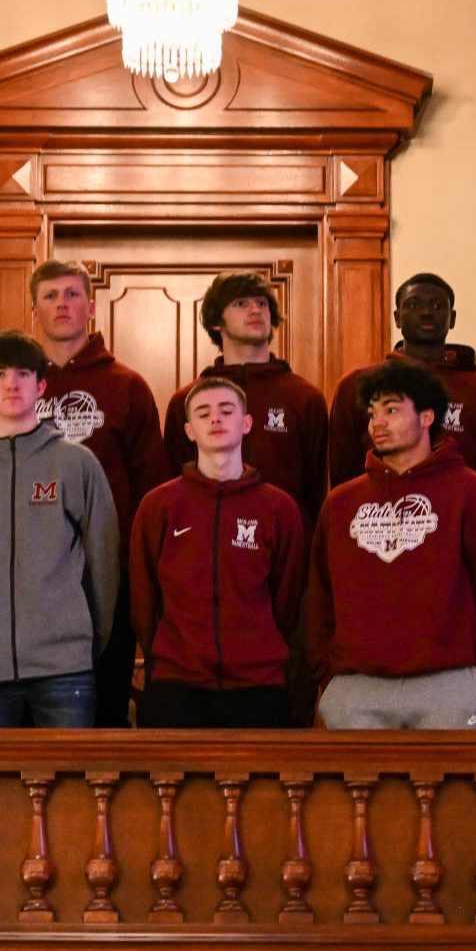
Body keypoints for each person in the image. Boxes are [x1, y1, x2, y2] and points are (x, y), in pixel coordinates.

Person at [306, 360, 476, 729]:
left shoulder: (473, 493)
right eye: (372, 413)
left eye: (391, 409)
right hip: (357, 688)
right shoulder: (341, 502)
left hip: (450, 685)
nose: (377, 423)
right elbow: (321, 594)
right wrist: (328, 675)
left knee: (451, 790)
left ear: (427, 416)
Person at [0, 331, 118, 727]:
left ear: (40, 386)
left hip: (64, 672)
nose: (11, 383)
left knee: (70, 789)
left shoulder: (77, 464)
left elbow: (104, 568)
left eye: (23, 373)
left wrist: (84, 645)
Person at [28, 258, 171, 725]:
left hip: (110, 570)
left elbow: (152, 487)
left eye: (71, 294)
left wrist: (139, 563)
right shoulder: (15, 386)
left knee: (105, 708)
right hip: (33, 572)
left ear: (90, 306)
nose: (62, 304)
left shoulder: (126, 386)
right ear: (35, 310)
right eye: (50, 296)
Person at [133, 375, 307, 728]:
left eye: (226, 411)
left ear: (246, 424)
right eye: (203, 413)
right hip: (176, 685)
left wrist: (259, 648)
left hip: (258, 687)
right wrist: (166, 655)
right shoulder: (159, 506)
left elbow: (287, 600)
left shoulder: (278, 508)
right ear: (188, 431)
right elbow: (144, 597)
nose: (215, 419)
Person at [161, 271, 328, 525]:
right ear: (217, 321)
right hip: (207, 544)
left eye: (262, 303)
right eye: (241, 303)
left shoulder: (304, 398)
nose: (255, 310)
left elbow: (316, 493)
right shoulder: (188, 401)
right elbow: (175, 485)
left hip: (285, 545)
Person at [328, 272, 476, 499]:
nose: (426, 313)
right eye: (413, 305)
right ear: (397, 317)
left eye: (437, 306)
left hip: (460, 518)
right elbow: (343, 475)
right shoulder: (357, 385)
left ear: (452, 318)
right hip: (376, 521)